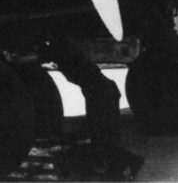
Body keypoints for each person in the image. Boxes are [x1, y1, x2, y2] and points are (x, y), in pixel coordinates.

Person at [41, 37, 144, 181]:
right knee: (104, 139)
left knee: (103, 140)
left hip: (101, 93)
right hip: (102, 91)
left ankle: (123, 166)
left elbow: (47, 54)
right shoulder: (65, 48)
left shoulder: (62, 49)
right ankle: (119, 169)